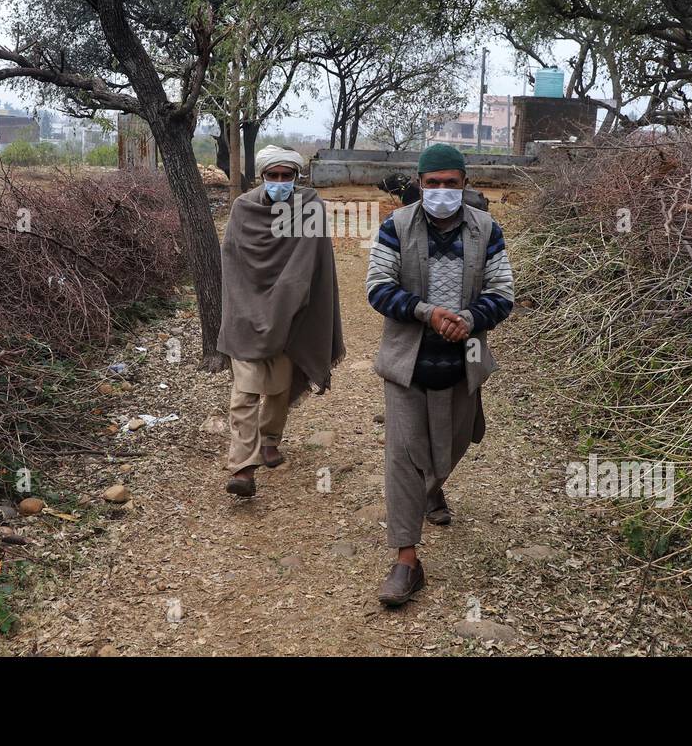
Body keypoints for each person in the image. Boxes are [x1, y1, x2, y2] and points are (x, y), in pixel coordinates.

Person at [365, 143, 514, 605]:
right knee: (404, 457)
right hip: (408, 363)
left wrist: (468, 320)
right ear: (419, 184)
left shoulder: (487, 229)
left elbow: (502, 292)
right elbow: (378, 288)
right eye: (433, 184)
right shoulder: (396, 225)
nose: (443, 192)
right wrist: (428, 314)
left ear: (465, 184)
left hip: (462, 361)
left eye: (452, 183)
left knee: (454, 444)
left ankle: (432, 489)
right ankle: (406, 561)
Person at [216, 145, 345, 497]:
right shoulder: (244, 208)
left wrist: (287, 305)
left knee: (277, 389)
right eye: (272, 176)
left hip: (291, 312)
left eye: (286, 176)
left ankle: (270, 438)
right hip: (246, 312)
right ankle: (243, 466)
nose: (279, 182)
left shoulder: (309, 207)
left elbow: (309, 267)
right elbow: (233, 262)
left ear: (297, 177)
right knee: (243, 393)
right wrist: (245, 305)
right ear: (261, 177)